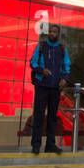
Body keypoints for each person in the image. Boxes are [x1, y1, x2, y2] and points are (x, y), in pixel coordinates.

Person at [28, 23, 70, 154]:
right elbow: (32, 62)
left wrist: (65, 79)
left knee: (53, 117)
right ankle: (36, 145)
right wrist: (41, 70)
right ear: (48, 33)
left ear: (58, 34)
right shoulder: (41, 46)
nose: (52, 34)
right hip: (42, 86)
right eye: (50, 32)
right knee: (39, 116)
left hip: (55, 87)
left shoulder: (62, 49)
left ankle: (50, 145)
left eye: (55, 32)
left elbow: (67, 66)